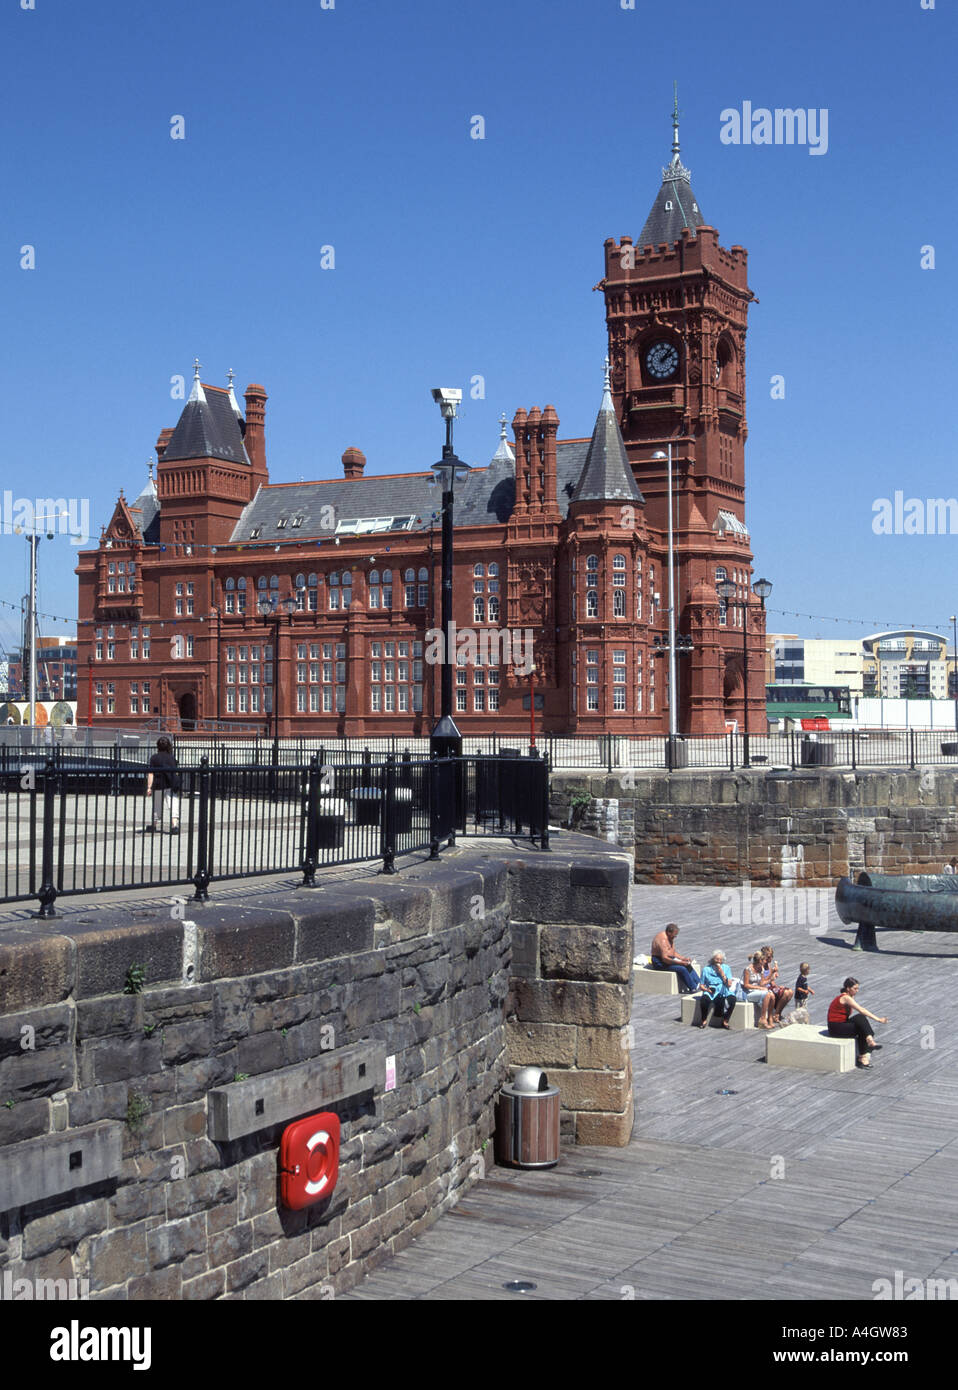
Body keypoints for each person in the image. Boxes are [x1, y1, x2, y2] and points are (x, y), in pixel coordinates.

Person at [826, 977, 888, 1068]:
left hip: (842, 1023)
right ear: (848, 988)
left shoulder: (849, 996)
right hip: (835, 1027)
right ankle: (865, 1052)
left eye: (858, 988)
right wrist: (878, 1019)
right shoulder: (845, 997)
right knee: (861, 1021)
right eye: (855, 988)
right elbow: (861, 1009)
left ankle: (869, 1041)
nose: (857, 991)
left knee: (860, 1020)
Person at [650, 924, 700, 993]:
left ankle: (699, 983)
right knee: (682, 969)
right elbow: (665, 959)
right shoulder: (663, 941)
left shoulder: (670, 937)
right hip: (659, 962)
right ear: (669, 932)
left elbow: (672, 952)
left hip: (667, 959)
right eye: (674, 935)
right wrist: (680, 963)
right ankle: (693, 987)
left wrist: (683, 959)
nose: (675, 937)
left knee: (687, 965)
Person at [146, 736, 180, 834]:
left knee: (157, 805)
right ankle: (174, 825)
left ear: (158, 746)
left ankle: (154, 825)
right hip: (170, 784)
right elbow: (175, 772)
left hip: (158, 784)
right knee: (173, 804)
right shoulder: (172, 758)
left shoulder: (154, 758)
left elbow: (151, 774)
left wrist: (149, 787)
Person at [699, 951, 737, 1029]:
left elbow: (729, 984)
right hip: (711, 990)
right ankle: (703, 1020)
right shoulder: (706, 969)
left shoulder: (726, 968)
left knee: (732, 1000)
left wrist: (722, 972)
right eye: (717, 959)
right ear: (713, 959)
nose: (718, 961)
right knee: (704, 1000)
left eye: (720, 960)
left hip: (723, 988)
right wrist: (706, 989)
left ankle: (725, 1021)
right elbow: (701, 985)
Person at [760, 945, 793, 1025]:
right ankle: (776, 1015)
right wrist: (772, 973)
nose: (770, 958)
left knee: (790, 992)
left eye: (771, 956)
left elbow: (771, 981)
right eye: (768, 957)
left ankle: (777, 1013)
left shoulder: (768, 965)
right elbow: (762, 982)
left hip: (770, 987)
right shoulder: (761, 966)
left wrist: (776, 986)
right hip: (763, 988)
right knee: (785, 993)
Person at [743, 952, 776, 1029]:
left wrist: (770, 979)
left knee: (772, 995)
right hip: (748, 992)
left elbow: (761, 983)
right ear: (759, 961)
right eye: (764, 960)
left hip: (757, 991)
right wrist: (760, 988)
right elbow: (746, 985)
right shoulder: (748, 969)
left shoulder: (761, 969)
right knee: (767, 994)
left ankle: (770, 1017)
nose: (765, 962)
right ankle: (762, 1019)